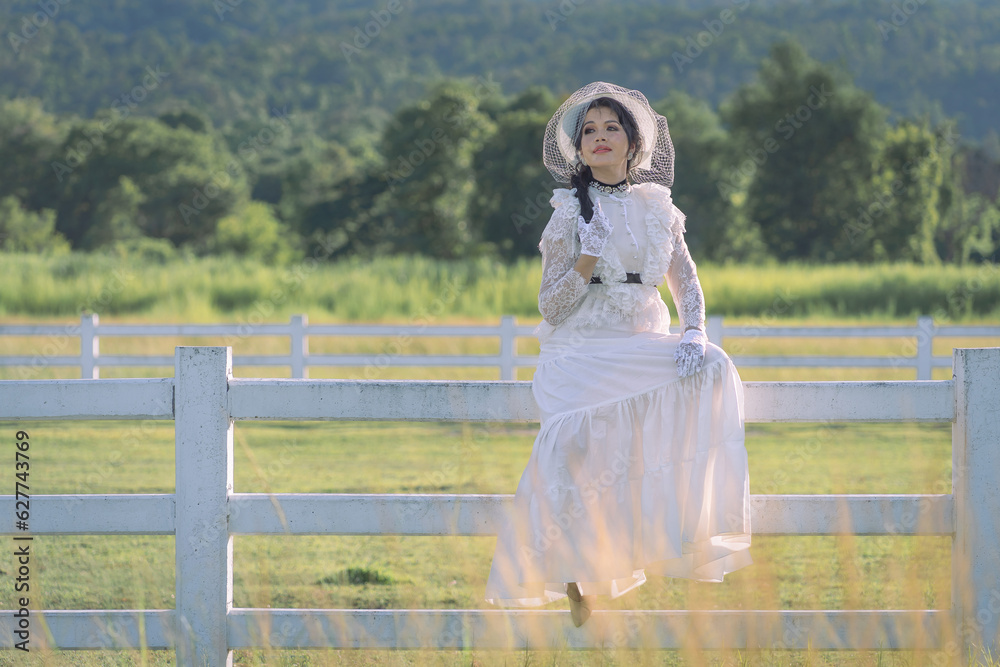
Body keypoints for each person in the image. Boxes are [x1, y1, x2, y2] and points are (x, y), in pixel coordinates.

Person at [483, 82, 752, 628]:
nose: (600, 138)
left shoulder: (659, 209)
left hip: (639, 344)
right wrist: (587, 257)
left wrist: (695, 330)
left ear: (634, 144)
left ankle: (674, 527)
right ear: (578, 149)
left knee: (717, 365)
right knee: (579, 439)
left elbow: (687, 285)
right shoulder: (566, 214)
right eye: (589, 131)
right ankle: (572, 570)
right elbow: (550, 306)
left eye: (612, 129)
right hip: (579, 350)